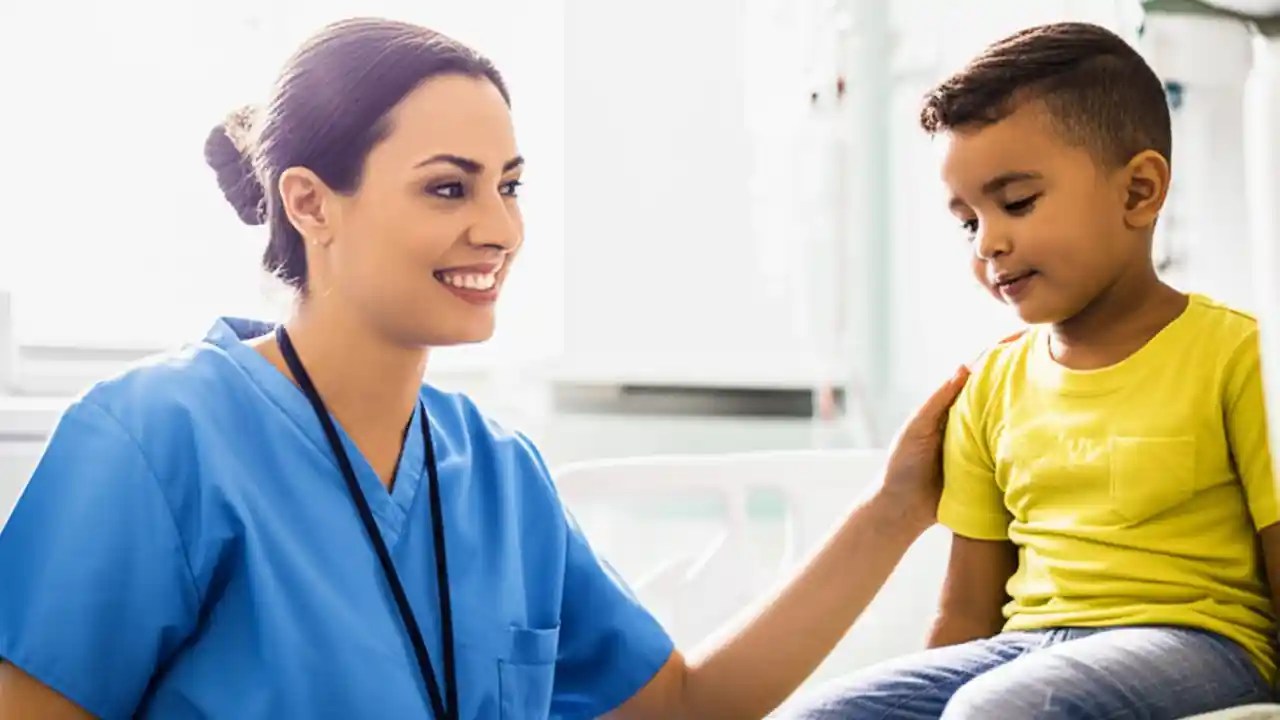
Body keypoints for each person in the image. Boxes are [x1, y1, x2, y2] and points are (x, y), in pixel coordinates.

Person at [0, 17, 969, 720]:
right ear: (309, 203)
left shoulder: (496, 474)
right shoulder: (158, 437)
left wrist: (891, 511)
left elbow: (677, 709)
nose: (498, 227)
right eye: (447, 187)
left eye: (508, 186)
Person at [778, 21, 1280, 720]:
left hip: (1201, 645)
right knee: (822, 717)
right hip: (1025, 652)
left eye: (1016, 203)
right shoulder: (990, 387)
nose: (990, 243)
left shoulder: (1239, 357)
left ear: (1138, 192)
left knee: (998, 709)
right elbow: (966, 611)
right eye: (967, 221)